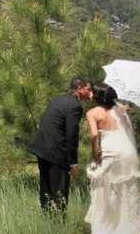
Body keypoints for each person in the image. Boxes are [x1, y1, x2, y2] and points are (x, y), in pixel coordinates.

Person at [84, 82, 140, 234]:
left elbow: (93, 135)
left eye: (92, 93)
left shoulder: (92, 113)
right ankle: (128, 225)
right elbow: (124, 113)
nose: (90, 95)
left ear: (98, 96)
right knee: (126, 186)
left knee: (106, 187)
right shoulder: (119, 108)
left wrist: (95, 153)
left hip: (112, 152)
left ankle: (109, 226)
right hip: (128, 150)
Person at [27, 77, 92, 217]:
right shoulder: (75, 106)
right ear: (80, 89)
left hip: (42, 149)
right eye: (88, 89)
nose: (90, 92)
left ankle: (47, 222)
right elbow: (71, 135)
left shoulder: (57, 100)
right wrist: (73, 162)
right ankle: (58, 225)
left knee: (46, 189)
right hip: (57, 152)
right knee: (59, 192)